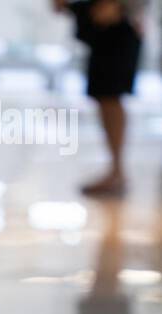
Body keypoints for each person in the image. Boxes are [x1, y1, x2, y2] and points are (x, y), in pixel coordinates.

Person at [54, 0, 147, 197]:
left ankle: (117, 171)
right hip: (104, 29)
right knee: (105, 98)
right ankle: (116, 170)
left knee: (111, 98)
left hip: (119, 27)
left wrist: (121, 5)